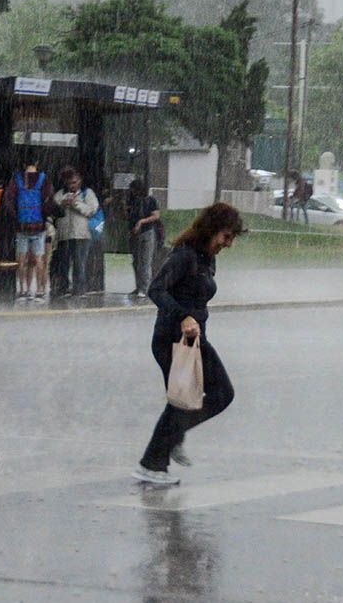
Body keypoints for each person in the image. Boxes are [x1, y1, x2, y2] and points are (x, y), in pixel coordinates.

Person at [134, 203, 246, 485]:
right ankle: (153, 463)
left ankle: (170, 440)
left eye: (232, 238)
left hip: (193, 340)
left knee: (214, 395)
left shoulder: (207, 258)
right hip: (172, 339)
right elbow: (156, 289)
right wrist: (183, 316)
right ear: (212, 229)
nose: (228, 244)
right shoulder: (185, 256)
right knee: (187, 401)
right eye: (226, 236)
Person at [5, 162, 54, 300]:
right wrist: (44, 217)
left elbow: (9, 200)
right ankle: (39, 290)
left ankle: (23, 290)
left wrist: (16, 217)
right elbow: (49, 200)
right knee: (39, 259)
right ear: (37, 164)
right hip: (39, 226)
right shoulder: (43, 179)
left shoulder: (17, 179)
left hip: (22, 226)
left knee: (22, 259)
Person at [52, 169, 99, 297]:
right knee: (63, 264)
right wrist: (62, 205)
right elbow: (53, 211)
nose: (72, 185)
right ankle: (63, 288)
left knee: (79, 264)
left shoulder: (87, 193)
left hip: (81, 234)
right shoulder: (60, 194)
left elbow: (92, 210)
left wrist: (76, 204)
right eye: (69, 183)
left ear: (80, 181)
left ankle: (79, 290)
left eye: (74, 182)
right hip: (64, 235)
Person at [128, 178, 161, 298]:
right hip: (134, 233)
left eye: (134, 190)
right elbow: (127, 215)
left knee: (145, 262)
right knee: (136, 261)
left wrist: (141, 221)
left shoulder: (151, 200)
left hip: (147, 232)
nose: (133, 192)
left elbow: (156, 216)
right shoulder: (132, 200)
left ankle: (145, 288)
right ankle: (139, 286)